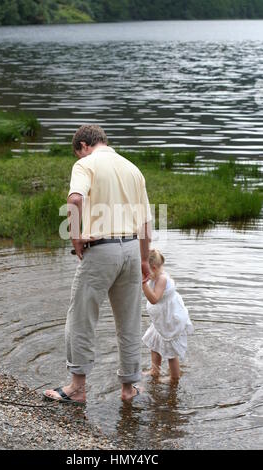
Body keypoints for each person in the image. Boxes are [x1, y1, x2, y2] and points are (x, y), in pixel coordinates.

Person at [44, 125, 152, 403]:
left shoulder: (85, 164)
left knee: (81, 317)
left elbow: (75, 199)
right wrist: (143, 259)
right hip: (130, 248)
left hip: (101, 248)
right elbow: (145, 223)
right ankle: (129, 390)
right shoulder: (132, 169)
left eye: (77, 152)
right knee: (128, 321)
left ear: (83, 145)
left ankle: (77, 389)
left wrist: (76, 237)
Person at [142, 249, 193, 383]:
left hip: (170, 321)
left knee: (171, 352)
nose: (143, 274)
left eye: (144, 271)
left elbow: (154, 299)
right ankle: (155, 370)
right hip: (161, 320)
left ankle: (174, 377)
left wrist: (142, 284)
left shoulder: (162, 279)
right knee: (154, 344)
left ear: (153, 268)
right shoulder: (155, 275)